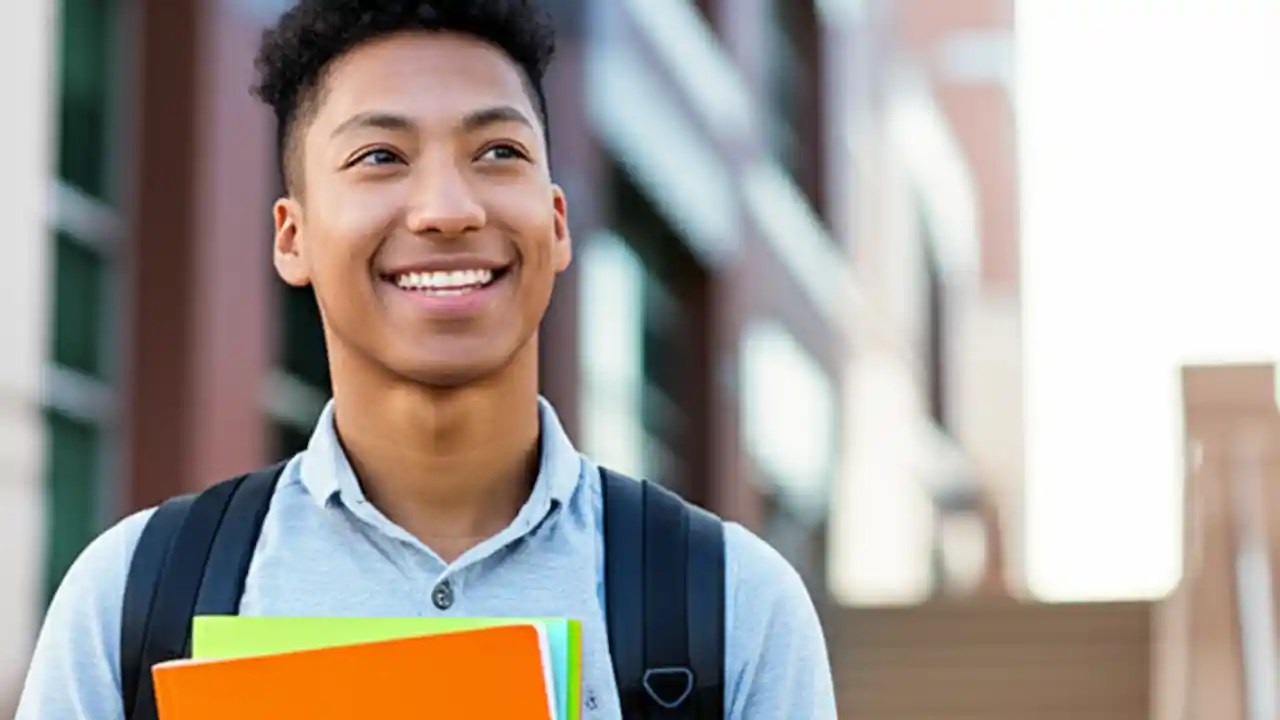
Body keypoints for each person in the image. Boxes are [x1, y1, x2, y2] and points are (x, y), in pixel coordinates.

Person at [16, 1, 837, 718]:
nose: (448, 209)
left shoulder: (730, 605)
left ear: (556, 224)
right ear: (292, 237)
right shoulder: (134, 596)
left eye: (497, 153)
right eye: (380, 157)